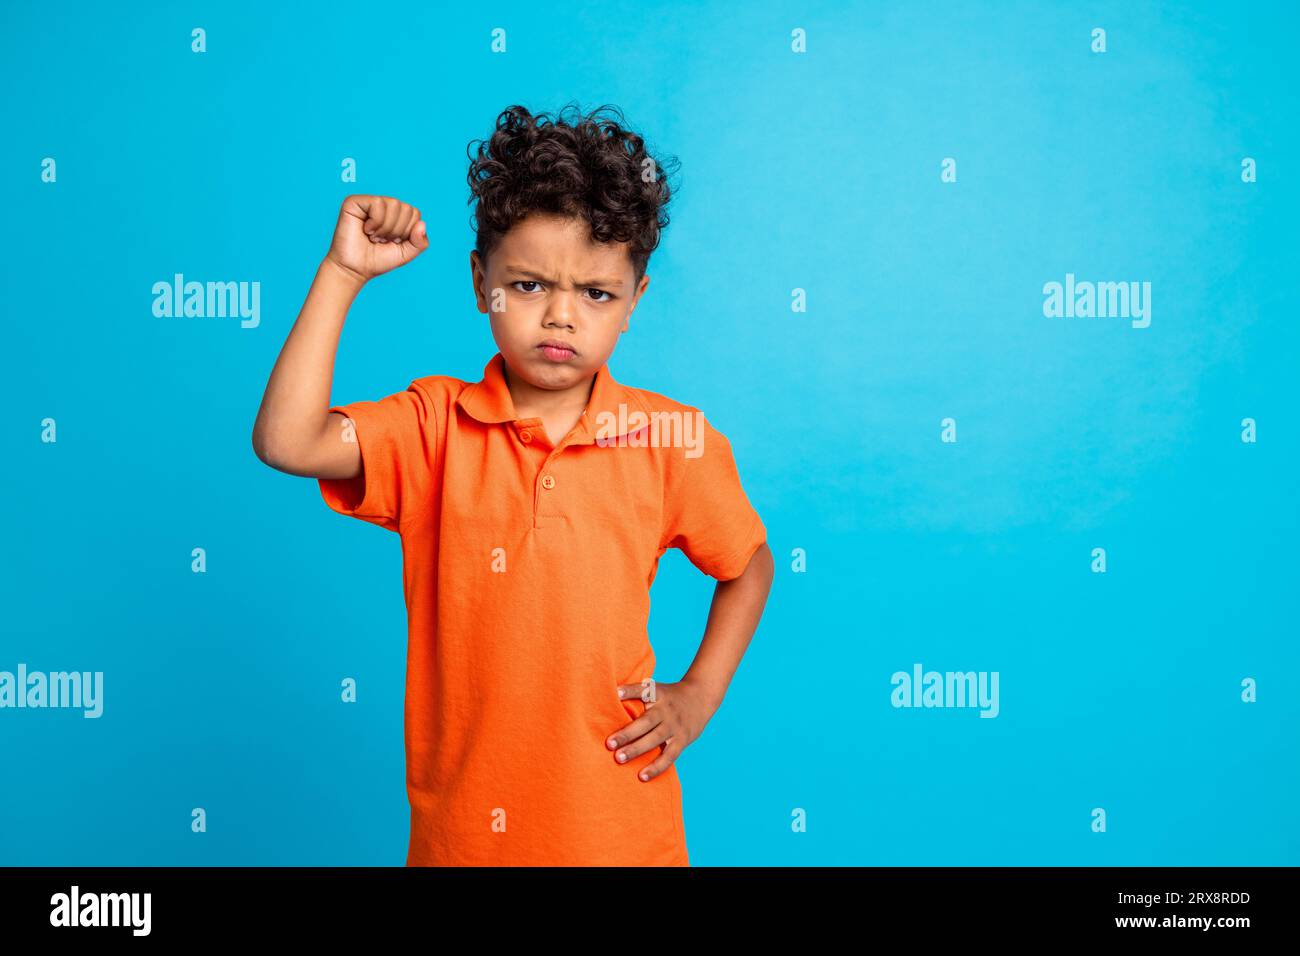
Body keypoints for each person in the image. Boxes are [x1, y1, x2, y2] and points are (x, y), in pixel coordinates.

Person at [251, 103, 774, 865]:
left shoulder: (672, 439)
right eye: (528, 286)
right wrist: (342, 276)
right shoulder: (433, 426)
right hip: (463, 844)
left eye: (596, 293)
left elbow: (749, 564)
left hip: (624, 838)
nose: (561, 317)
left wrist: (697, 697)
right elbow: (286, 440)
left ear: (635, 302)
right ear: (480, 281)